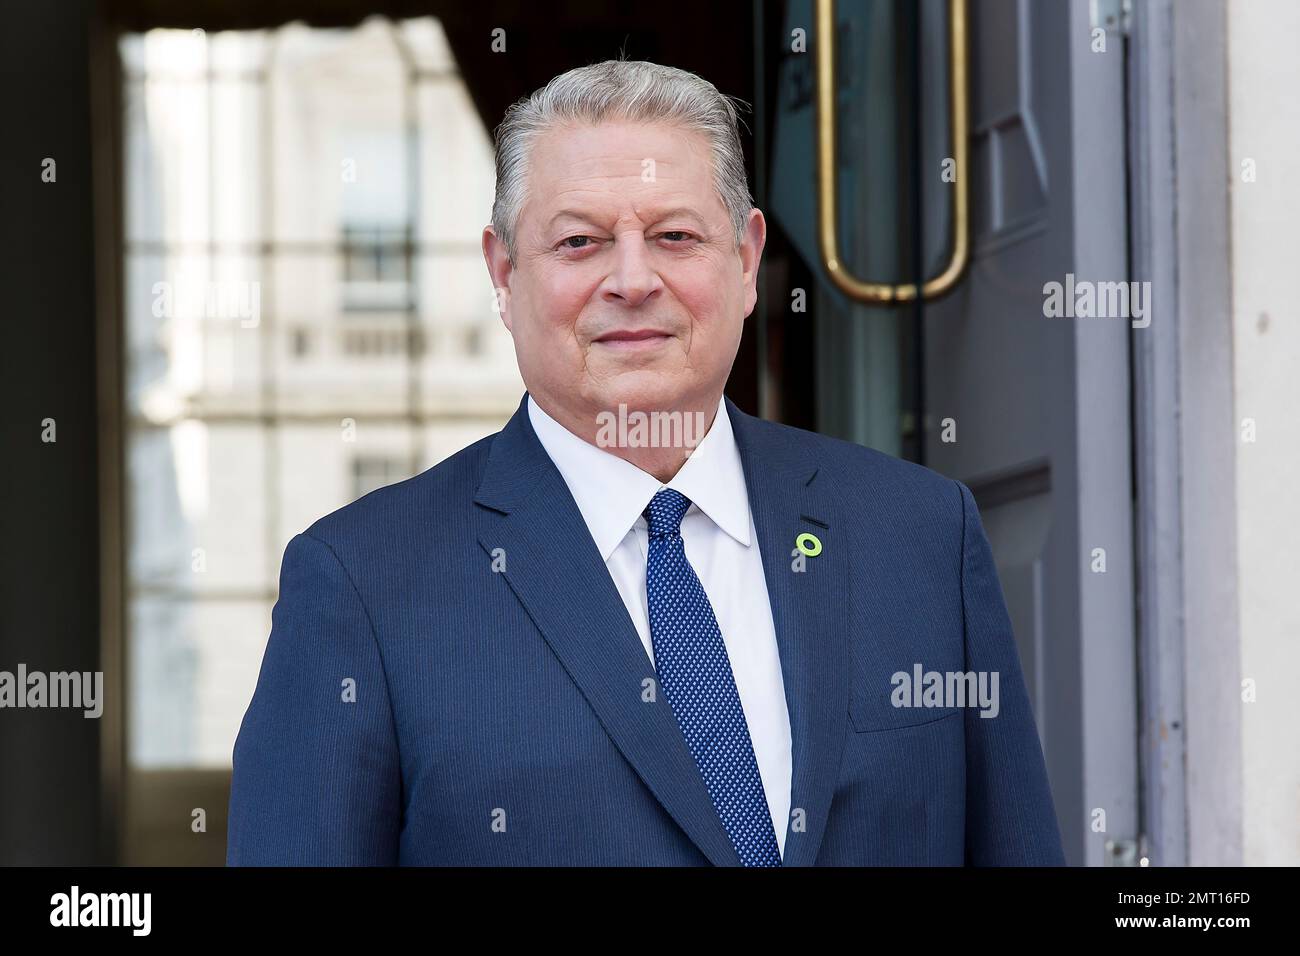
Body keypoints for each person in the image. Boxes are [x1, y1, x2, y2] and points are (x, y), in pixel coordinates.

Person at [227, 58, 1065, 866]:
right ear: (503, 271)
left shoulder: (921, 534)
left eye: (673, 235)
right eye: (581, 241)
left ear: (744, 261)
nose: (633, 280)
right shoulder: (363, 584)